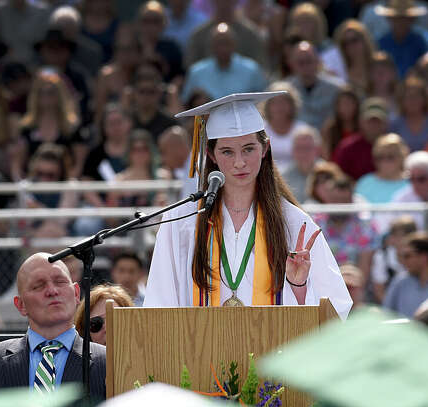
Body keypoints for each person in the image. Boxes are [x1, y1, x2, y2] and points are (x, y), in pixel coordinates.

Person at [144, 91, 353, 318]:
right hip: (199, 341)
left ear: (265, 148)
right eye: (227, 151)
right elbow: (159, 305)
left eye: (248, 149)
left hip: (273, 341)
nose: (239, 162)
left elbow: (334, 307)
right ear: (211, 155)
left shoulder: (294, 223)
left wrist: (299, 286)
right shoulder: (181, 222)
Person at [0, 252, 108, 401]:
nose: (52, 291)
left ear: (76, 293)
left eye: (60, 281)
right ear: (21, 305)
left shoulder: (108, 362)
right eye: (38, 286)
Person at [382, 232, 428, 317]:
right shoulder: (400, 282)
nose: (403, 261)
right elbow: (386, 314)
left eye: (407, 256)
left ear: (424, 257)